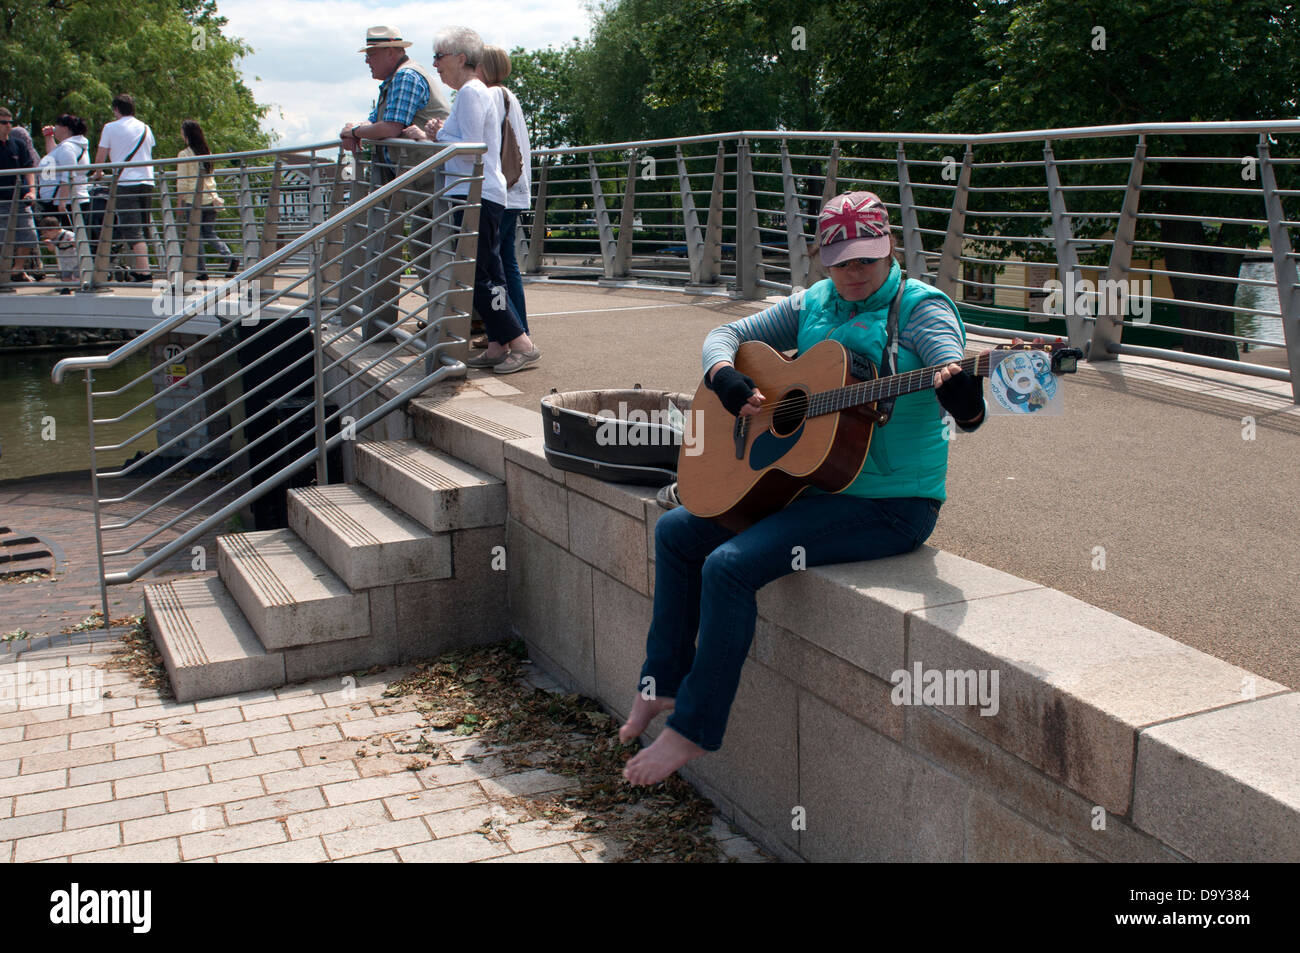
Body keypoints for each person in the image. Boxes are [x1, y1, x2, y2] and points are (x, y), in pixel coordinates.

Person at [620, 191, 988, 785]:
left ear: (890, 246)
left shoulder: (922, 310)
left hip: (891, 506)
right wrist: (726, 378)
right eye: (842, 261)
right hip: (813, 489)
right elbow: (725, 332)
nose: (855, 273)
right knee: (676, 531)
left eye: (867, 259)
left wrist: (963, 398)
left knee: (729, 567)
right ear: (821, 257)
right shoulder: (812, 301)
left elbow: (956, 379)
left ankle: (691, 731)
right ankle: (660, 684)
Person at [402, 26, 539, 375]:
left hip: (475, 193)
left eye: (440, 56)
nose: (435, 64)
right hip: (476, 192)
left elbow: (472, 145)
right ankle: (498, 343)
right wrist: (443, 133)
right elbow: (471, 141)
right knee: (486, 271)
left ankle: (520, 343)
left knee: (483, 275)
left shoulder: (470, 92)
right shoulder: (474, 92)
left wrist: (436, 134)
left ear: (461, 58)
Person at [340, 25, 450, 177]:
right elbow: (373, 121)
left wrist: (353, 132)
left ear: (390, 53)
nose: (367, 61)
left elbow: (390, 128)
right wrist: (353, 130)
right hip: (417, 179)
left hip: (425, 181)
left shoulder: (405, 75)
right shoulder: (396, 78)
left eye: (371, 55)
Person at [477, 45, 532, 338]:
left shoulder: (493, 95)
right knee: (507, 264)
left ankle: (508, 331)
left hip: (502, 191)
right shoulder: (510, 95)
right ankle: (516, 326)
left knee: (490, 267)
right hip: (516, 189)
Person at [93, 94, 156, 282]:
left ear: (116, 109)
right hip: (147, 181)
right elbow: (149, 150)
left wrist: (97, 174)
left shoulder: (110, 128)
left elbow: (100, 156)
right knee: (143, 227)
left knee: (132, 228)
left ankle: (144, 272)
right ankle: (143, 267)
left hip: (126, 182)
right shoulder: (145, 127)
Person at [176, 119, 238, 281]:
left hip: (193, 199)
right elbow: (210, 178)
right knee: (209, 233)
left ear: (186, 134)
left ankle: (201, 271)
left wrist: (179, 203)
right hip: (210, 198)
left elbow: (183, 181)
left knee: (195, 235)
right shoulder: (207, 152)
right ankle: (229, 256)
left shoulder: (184, 155)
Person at [0, 107, 39, 282]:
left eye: (10, 122)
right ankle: (4, 272)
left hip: (20, 198)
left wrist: (32, 190)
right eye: (3, 122)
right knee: (3, 238)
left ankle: (18, 269)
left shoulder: (18, 144)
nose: (8, 126)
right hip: (2, 200)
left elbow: (29, 168)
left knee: (29, 234)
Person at [40, 114, 91, 228]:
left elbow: (68, 174)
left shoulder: (67, 147)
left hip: (65, 203)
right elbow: (52, 157)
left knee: (68, 239)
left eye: (57, 125)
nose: (54, 128)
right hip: (66, 200)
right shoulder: (71, 146)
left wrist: (62, 201)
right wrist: (49, 137)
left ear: (65, 128)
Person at [40, 216, 76, 292]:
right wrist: (49, 244)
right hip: (64, 261)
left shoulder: (68, 234)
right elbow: (51, 249)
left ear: (55, 229)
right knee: (65, 276)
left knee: (76, 274)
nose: (45, 235)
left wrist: (73, 242)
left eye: (46, 232)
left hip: (74, 260)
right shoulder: (53, 238)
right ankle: (67, 286)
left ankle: (75, 285)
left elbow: (77, 244)